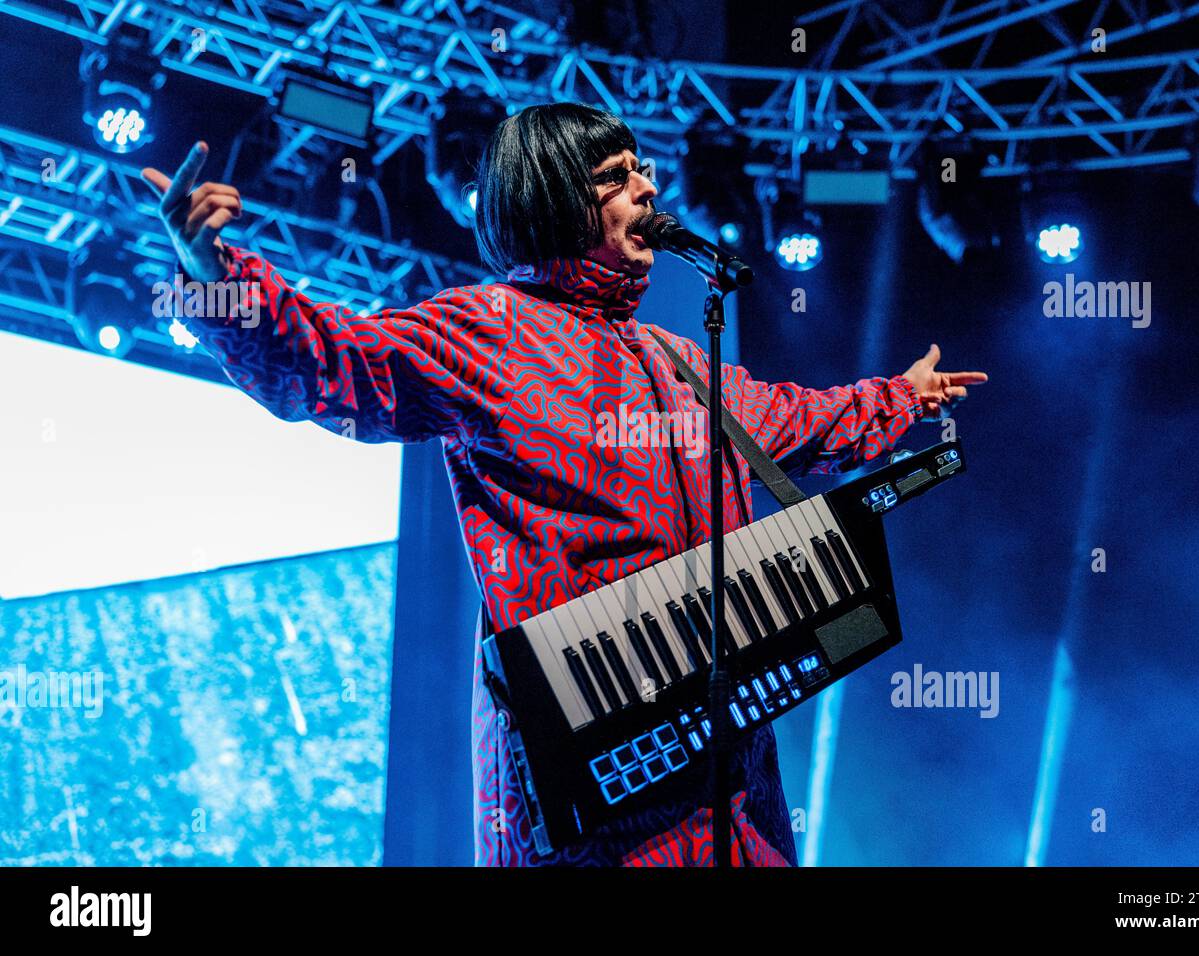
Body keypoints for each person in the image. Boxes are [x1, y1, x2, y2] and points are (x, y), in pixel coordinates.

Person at [141, 101, 988, 866]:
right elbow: (329, 361)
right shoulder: (486, 330)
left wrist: (898, 399)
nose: (649, 189)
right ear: (552, 199)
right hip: (589, 775)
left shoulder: (678, 362)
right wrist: (214, 275)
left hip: (725, 780)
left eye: (644, 171)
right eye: (617, 178)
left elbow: (795, 421)